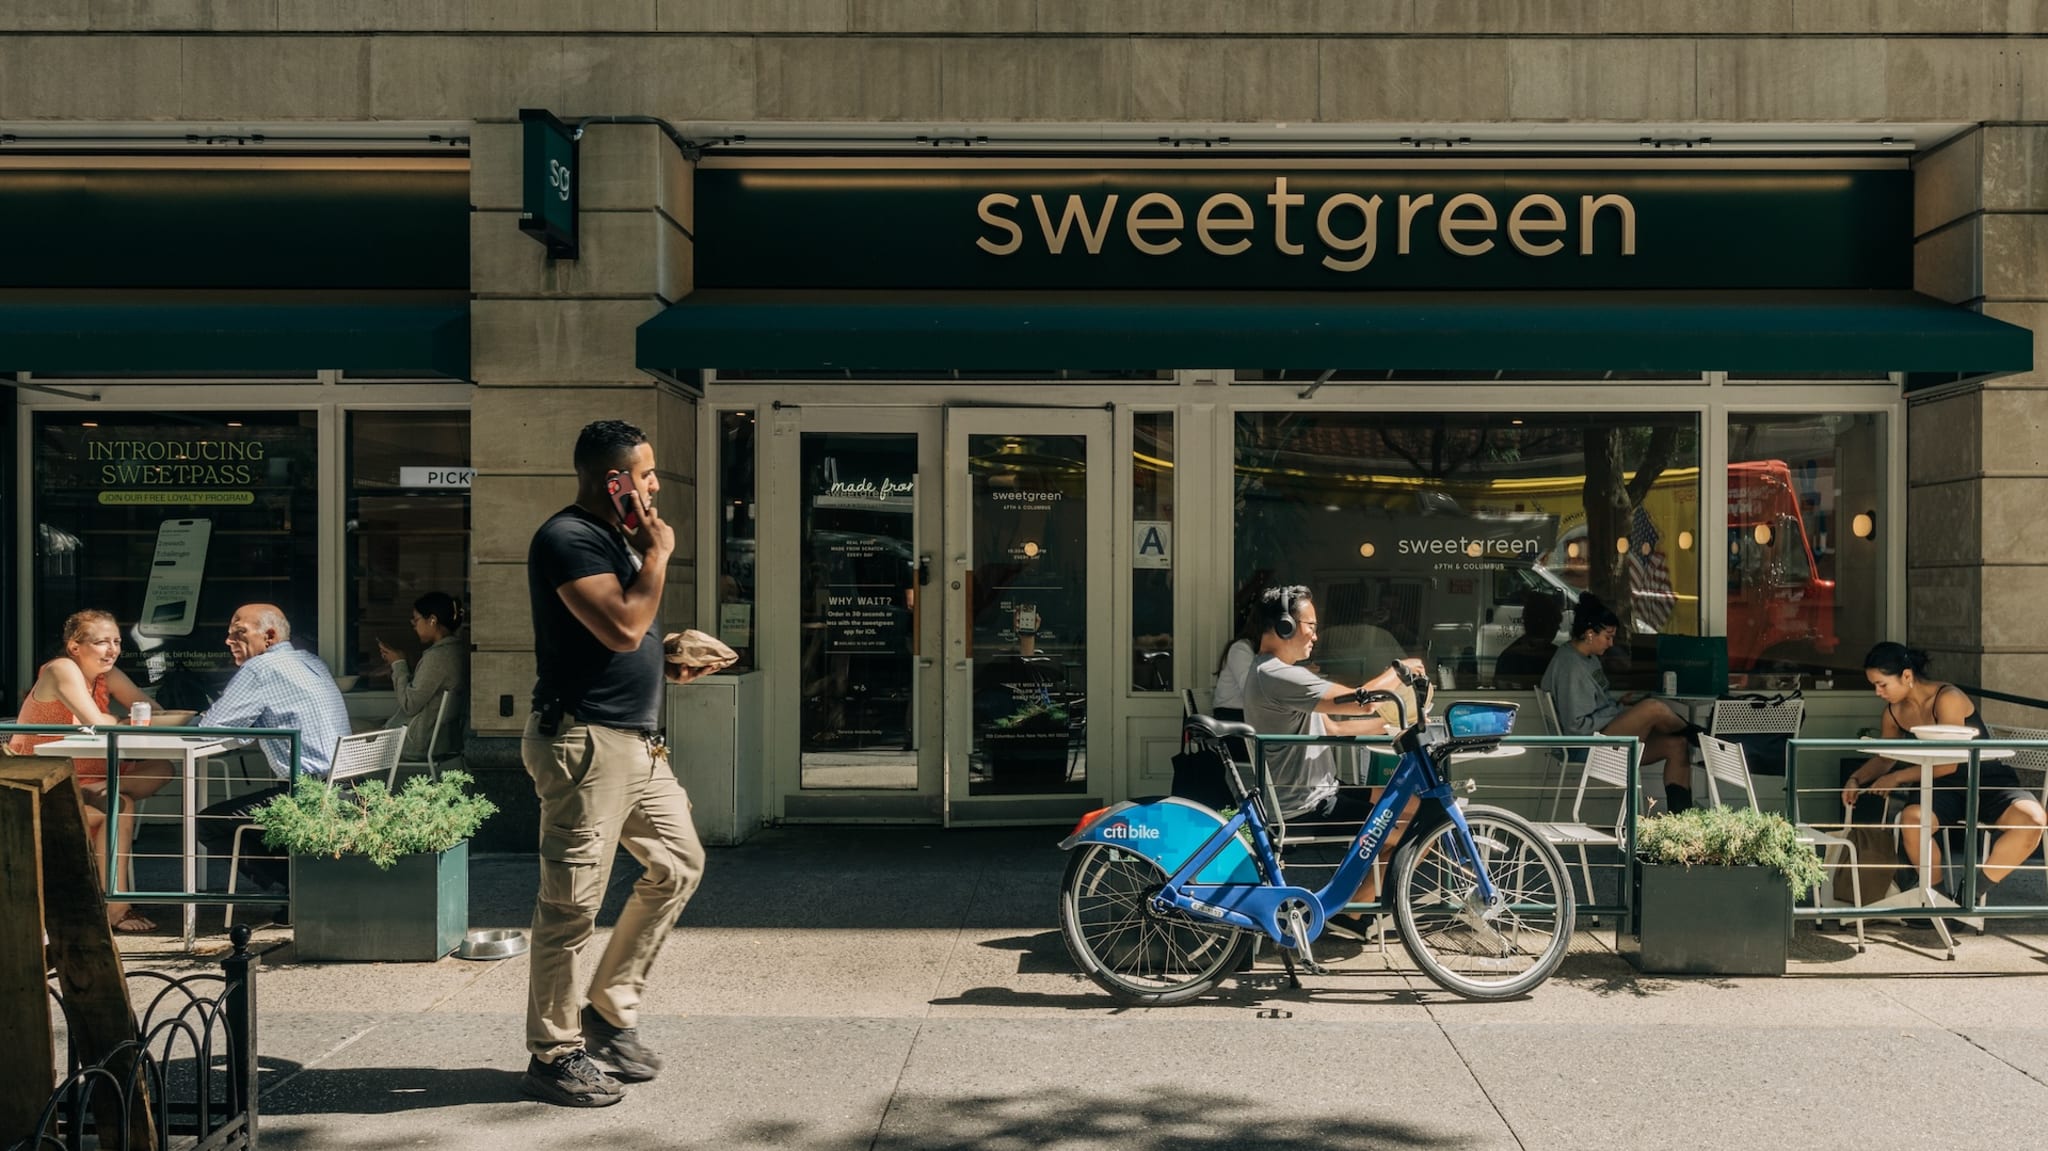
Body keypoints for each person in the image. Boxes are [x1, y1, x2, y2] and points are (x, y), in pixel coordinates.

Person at [520, 419, 711, 1109]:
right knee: (571, 904)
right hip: (585, 744)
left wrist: (670, 661)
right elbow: (623, 624)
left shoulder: (613, 543)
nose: (656, 484)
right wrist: (658, 553)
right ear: (615, 481)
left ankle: (606, 1010)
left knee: (679, 862)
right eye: (648, 472)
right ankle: (555, 1052)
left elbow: (626, 641)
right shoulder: (567, 538)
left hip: (638, 742)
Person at [1240, 585, 1424, 937]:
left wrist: (1397, 724)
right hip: (1306, 806)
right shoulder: (1276, 674)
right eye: (1310, 625)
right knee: (1421, 823)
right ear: (1284, 626)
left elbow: (1337, 728)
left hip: (1320, 794)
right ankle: (1351, 910)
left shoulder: (1274, 673)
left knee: (1414, 808)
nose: (1315, 635)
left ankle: (1353, 910)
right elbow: (1361, 701)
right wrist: (1399, 672)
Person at [9, 609, 177, 933]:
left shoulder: (106, 675)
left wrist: (134, 720)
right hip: (43, 784)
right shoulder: (61, 669)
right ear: (75, 646)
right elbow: (96, 723)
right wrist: (127, 721)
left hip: (88, 775)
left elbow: (152, 712)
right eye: (101, 642)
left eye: (116, 641)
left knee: (162, 768)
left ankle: (100, 791)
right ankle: (116, 908)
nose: (112, 649)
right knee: (120, 804)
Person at [1841, 643, 2046, 897]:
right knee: (1912, 820)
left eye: (1882, 684)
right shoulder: (1893, 712)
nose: (1877, 692)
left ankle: (1969, 894)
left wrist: (1896, 778)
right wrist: (1855, 779)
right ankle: (1937, 902)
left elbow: (1949, 763)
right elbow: (1885, 758)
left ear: (1906, 675)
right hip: (1939, 788)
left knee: (2033, 820)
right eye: (1874, 685)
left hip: (1984, 779)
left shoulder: (1948, 698)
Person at [193, 604, 353, 893]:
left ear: (269, 636)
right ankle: (307, 884)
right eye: (229, 633)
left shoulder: (260, 668)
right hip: (347, 788)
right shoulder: (311, 661)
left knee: (208, 823)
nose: (229, 641)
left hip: (308, 794)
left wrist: (194, 719)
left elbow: (210, 731)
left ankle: (303, 889)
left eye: (239, 633)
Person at [1539, 593, 1698, 813]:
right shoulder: (1570, 666)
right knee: (1652, 708)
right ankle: (1699, 735)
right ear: (1589, 633)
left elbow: (1593, 704)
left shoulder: (1587, 657)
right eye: (1608, 636)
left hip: (1600, 736)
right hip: (1585, 746)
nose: (1612, 643)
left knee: (1678, 745)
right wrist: (1617, 713)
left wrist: (1618, 706)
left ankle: (1683, 821)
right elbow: (1575, 726)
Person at [377, 591, 469, 763]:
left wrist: (399, 664)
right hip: (441, 741)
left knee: (349, 731)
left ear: (432, 620)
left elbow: (409, 704)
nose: (413, 625)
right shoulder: (456, 651)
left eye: (416, 619)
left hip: (416, 742)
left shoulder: (438, 657)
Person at [1492, 590, 1564, 689]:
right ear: (1547, 625)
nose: (1557, 629)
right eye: (1555, 624)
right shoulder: (1557, 657)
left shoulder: (1508, 657)